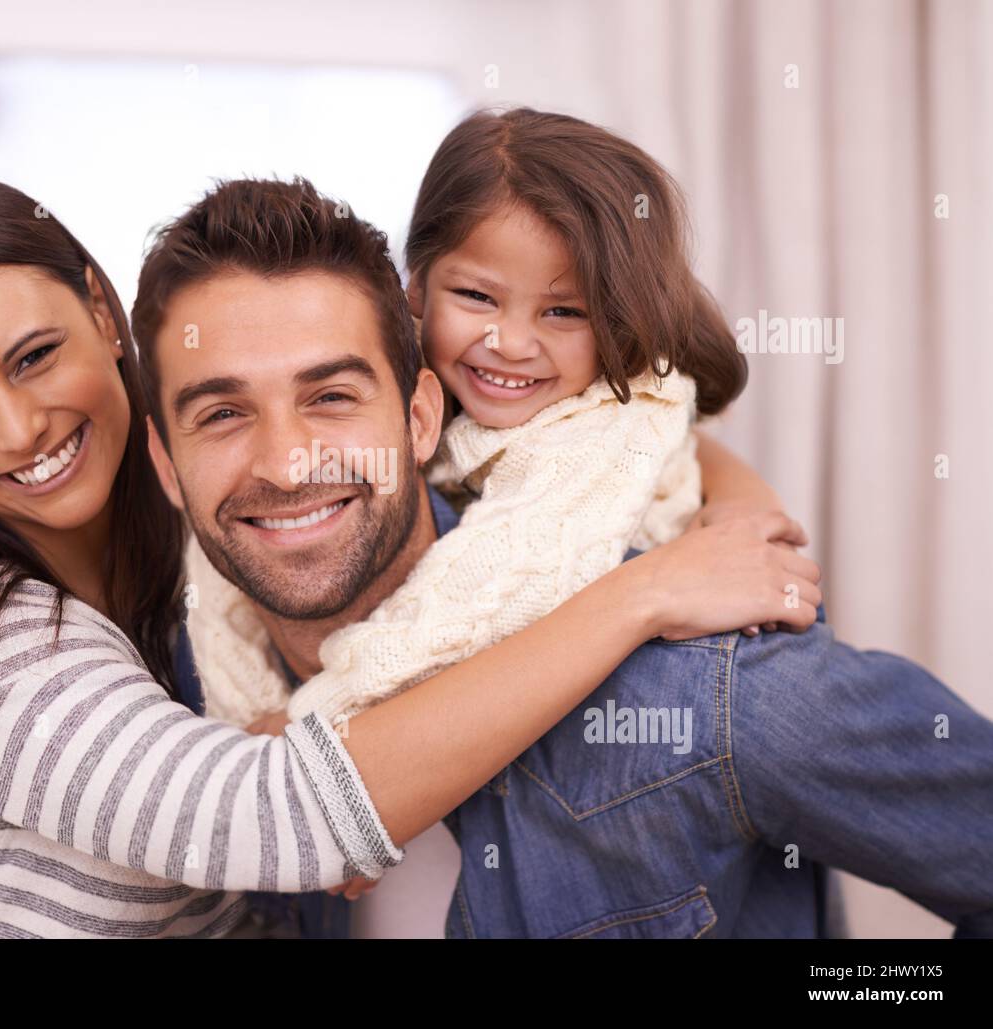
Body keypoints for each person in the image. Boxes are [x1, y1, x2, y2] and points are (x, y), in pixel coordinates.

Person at [0, 176, 807, 938]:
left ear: (99, 310)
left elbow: (574, 436)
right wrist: (638, 595)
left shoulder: (211, 524)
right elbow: (273, 818)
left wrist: (735, 517)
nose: (17, 429)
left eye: (32, 356)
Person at [139, 160, 993, 938]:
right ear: (166, 467)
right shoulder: (185, 701)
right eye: (222, 413)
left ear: (420, 416)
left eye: (330, 395)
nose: (289, 462)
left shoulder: (707, 688)